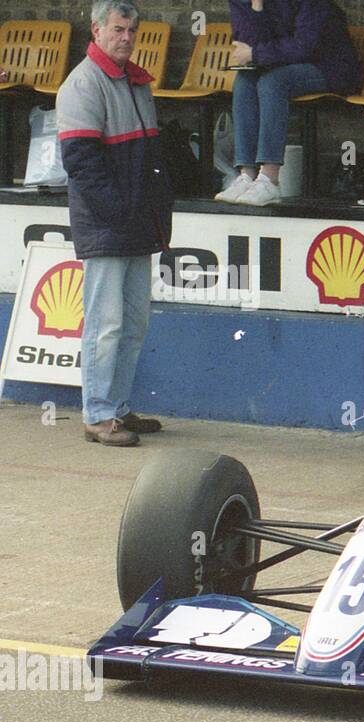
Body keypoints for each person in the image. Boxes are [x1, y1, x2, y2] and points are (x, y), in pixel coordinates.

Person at [57, 0, 172, 447]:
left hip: (132, 222)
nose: (126, 37)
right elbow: (81, 163)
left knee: (132, 323)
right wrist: (122, 212)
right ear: (97, 29)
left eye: (132, 30)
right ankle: (98, 415)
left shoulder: (135, 82)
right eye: (118, 29)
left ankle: (117, 408)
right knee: (105, 325)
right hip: (110, 224)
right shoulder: (82, 84)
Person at [220, 0, 362, 206]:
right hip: (283, 64)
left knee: (273, 81)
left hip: (330, 67)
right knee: (244, 80)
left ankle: (269, 178)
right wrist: (257, 8)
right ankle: (247, 175)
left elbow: (304, 45)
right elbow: (248, 46)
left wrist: (257, 53)